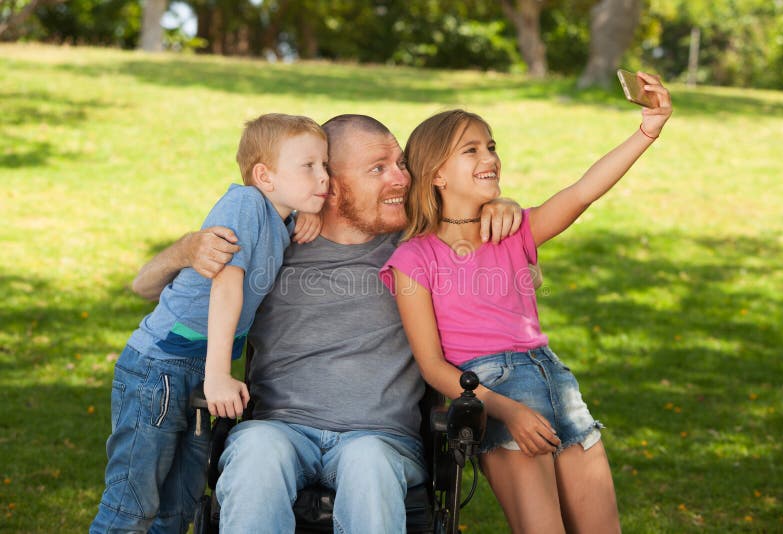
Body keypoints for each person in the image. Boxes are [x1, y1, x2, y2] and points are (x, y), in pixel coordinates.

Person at [127, 114, 524, 533]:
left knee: (366, 462)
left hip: (380, 437)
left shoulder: (418, 249)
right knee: (258, 453)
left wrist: (495, 207)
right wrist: (188, 248)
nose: (402, 179)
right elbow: (144, 285)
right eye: (378, 169)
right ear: (329, 186)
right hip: (279, 427)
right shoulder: (276, 242)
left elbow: (492, 251)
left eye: (401, 163)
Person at [380, 72, 672, 533]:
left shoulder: (513, 230)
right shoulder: (414, 257)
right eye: (471, 149)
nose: (489, 157)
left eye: (491, 146)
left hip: (555, 380)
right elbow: (433, 366)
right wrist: (507, 410)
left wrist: (648, 129)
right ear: (437, 174)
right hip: (494, 396)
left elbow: (583, 191)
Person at [91, 113, 330, 533]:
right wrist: (219, 375)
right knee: (132, 505)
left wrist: (306, 213)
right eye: (309, 166)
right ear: (265, 175)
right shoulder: (245, 205)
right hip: (160, 367)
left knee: (179, 507)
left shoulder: (278, 217)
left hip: (194, 371)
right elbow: (227, 287)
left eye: (325, 165)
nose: (324, 176)